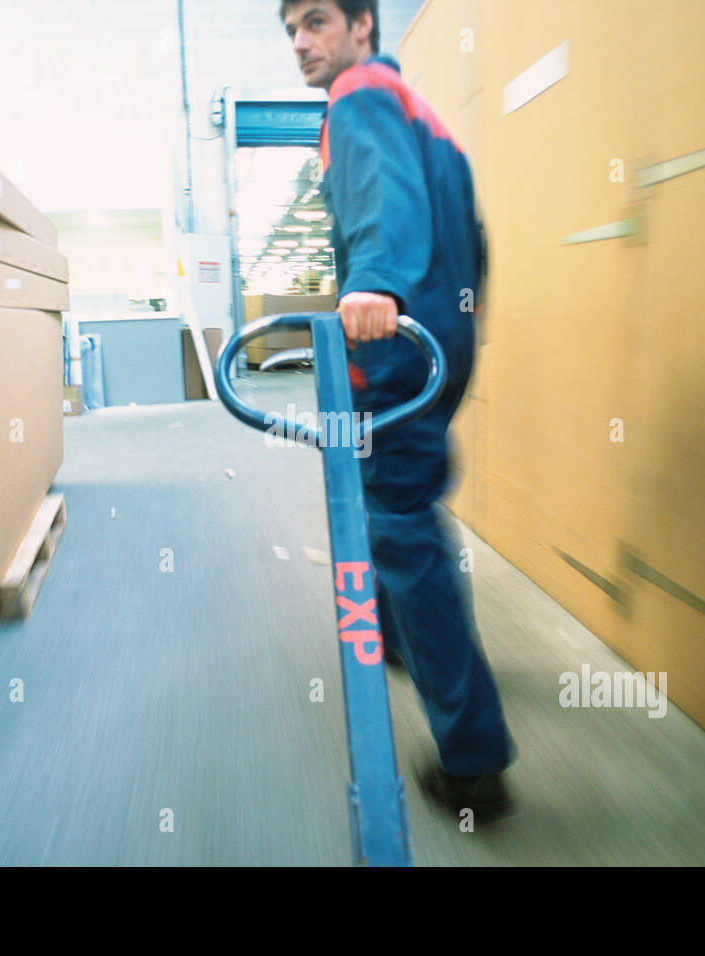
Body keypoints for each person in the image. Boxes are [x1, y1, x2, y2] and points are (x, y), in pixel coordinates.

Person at [280, 0, 516, 822]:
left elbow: (383, 199)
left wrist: (374, 278)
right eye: (291, 32)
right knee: (412, 510)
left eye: (315, 22)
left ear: (362, 27)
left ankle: (474, 760)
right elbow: (473, 236)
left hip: (395, 347)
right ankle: (411, 642)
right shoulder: (430, 114)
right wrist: (461, 317)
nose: (301, 43)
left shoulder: (358, 97)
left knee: (400, 524)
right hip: (442, 343)